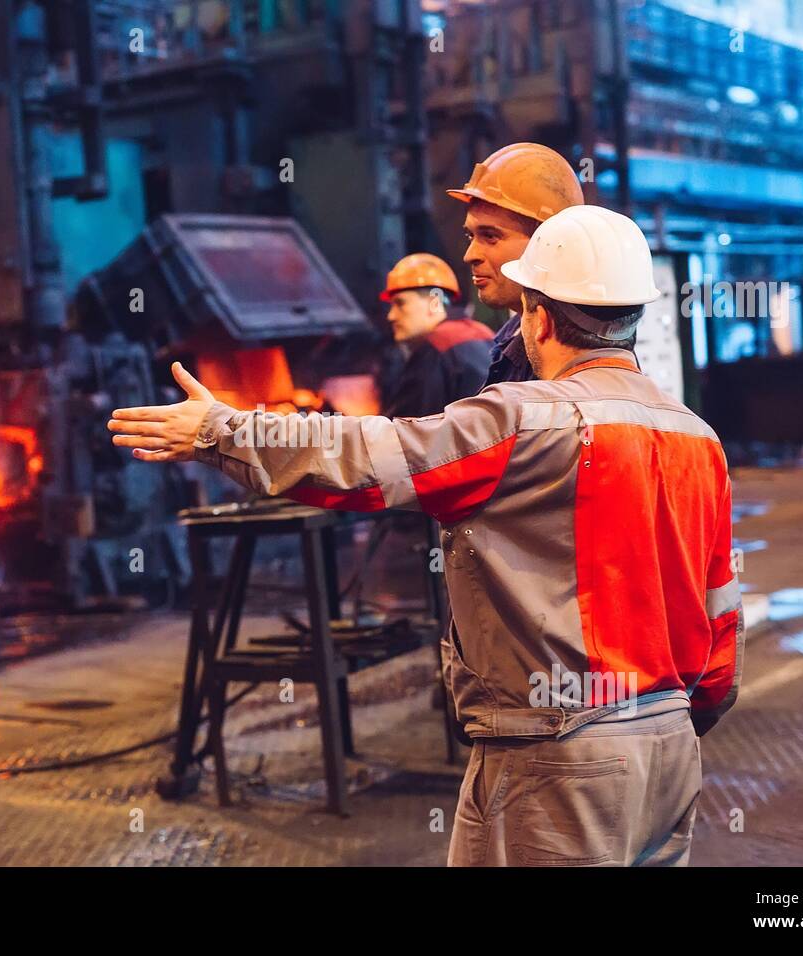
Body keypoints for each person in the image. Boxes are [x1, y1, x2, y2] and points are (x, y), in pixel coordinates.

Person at [108, 205, 744, 867]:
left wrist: (222, 431)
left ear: (540, 316)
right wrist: (671, 718)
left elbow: (367, 459)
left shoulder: (522, 422)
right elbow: (722, 612)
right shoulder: (698, 436)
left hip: (561, 752)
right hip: (670, 747)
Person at [447, 142, 586, 387]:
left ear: (549, 242)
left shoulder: (571, 360)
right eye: (471, 236)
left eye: (490, 236)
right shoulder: (511, 342)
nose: (470, 255)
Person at [379, 253, 494, 418]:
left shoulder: (436, 345)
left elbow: (406, 429)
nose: (391, 316)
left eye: (400, 303)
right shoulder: (485, 333)